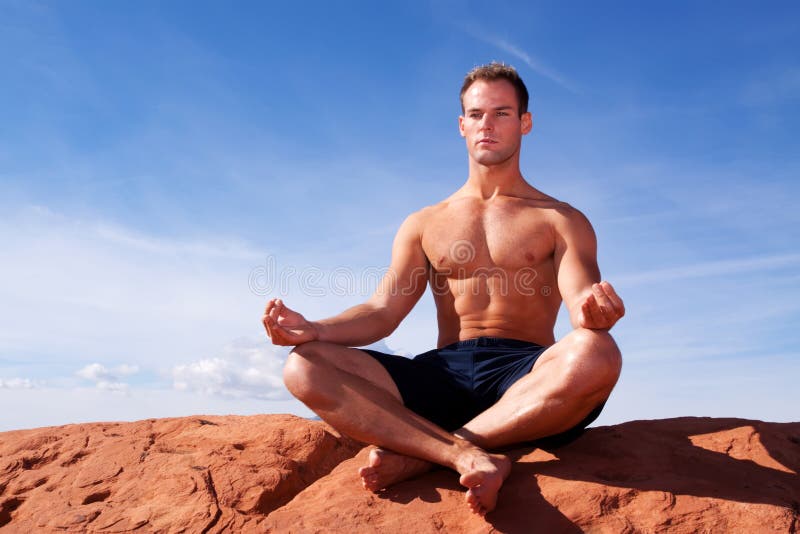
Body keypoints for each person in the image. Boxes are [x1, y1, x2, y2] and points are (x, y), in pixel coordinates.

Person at [262, 62, 624, 516]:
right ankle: (461, 454)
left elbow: (580, 295)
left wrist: (593, 311)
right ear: (461, 125)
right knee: (304, 366)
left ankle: (427, 453)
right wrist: (315, 329)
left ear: (525, 122)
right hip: (444, 374)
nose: (487, 124)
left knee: (597, 351)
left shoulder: (561, 219)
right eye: (476, 114)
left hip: (525, 379)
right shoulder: (424, 222)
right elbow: (383, 311)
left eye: (502, 113)